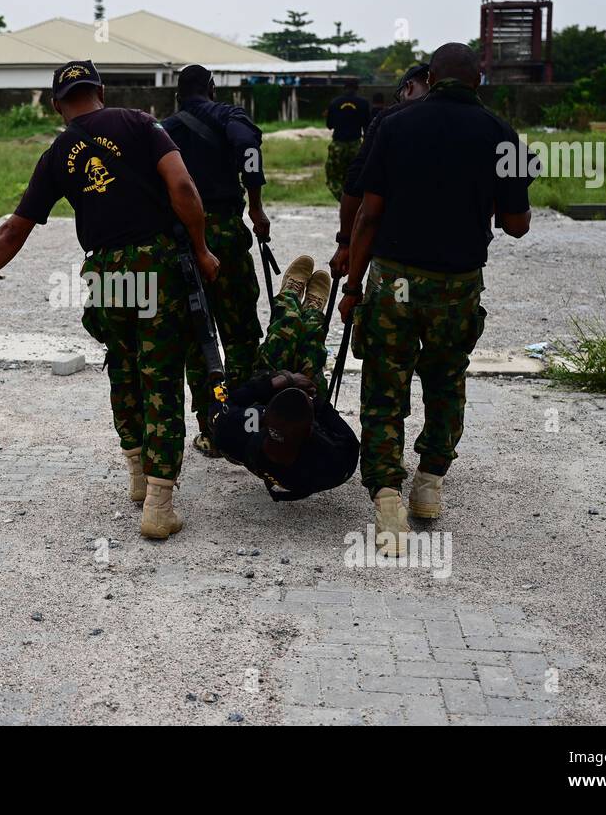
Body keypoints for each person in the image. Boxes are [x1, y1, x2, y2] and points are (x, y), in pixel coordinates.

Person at [0, 60, 219, 540]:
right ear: (101, 91)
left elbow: (14, 230)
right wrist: (201, 249)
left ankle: (136, 473)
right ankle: (158, 503)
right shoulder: (139, 122)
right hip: (156, 265)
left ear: (57, 104)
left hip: (108, 272)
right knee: (161, 373)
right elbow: (182, 187)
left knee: (124, 364)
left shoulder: (56, 154)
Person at [338, 43, 532, 556]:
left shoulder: (396, 126)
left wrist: (354, 287)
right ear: (478, 81)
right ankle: (428, 483)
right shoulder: (500, 135)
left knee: (384, 385)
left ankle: (386, 501)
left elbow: (368, 215)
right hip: (458, 284)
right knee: (446, 381)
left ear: (430, 76)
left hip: (395, 281)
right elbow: (516, 226)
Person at [160, 64, 269, 458]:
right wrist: (255, 207)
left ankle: (210, 428)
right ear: (212, 89)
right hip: (225, 234)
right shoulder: (229, 116)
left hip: (184, 242)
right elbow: (251, 153)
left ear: (177, 95)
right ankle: (242, 426)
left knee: (197, 339)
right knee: (240, 335)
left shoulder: (164, 129)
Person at [207, 255, 358, 500]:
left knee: (284, 334)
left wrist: (275, 383)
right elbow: (331, 418)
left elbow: (219, 402)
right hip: (307, 411)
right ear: (312, 431)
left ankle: (290, 298)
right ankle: (312, 313)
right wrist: (314, 397)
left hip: (270, 395)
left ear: (262, 419)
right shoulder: (336, 458)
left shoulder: (240, 430)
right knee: (310, 353)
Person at [329, 63, 431, 279]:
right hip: (460, 272)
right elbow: (516, 225)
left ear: (409, 87)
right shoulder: (490, 125)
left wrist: (345, 246)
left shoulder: (390, 120)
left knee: (342, 180)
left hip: (395, 260)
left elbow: (366, 208)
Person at [323, 79, 370, 202]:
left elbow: (329, 125)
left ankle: (343, 199)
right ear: (357, 88)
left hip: (338, 145)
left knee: (333, 178)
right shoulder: (364, 103)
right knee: (356, 177)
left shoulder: (334, 103)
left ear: (344, 88)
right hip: (356, 145)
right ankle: (353, 201)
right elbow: (367, 127)